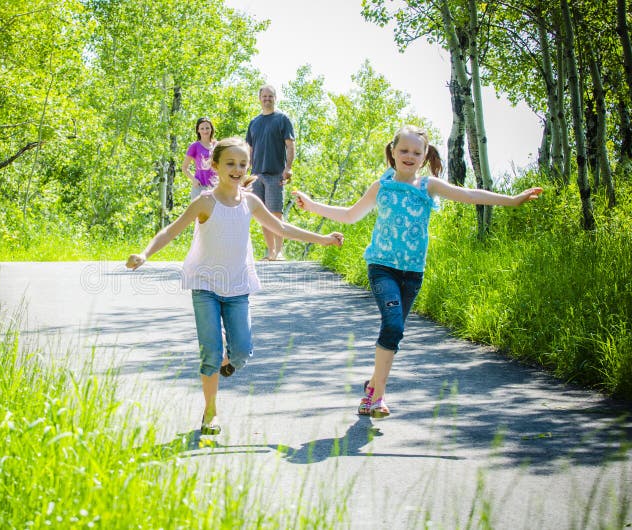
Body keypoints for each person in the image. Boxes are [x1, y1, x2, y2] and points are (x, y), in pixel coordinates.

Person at [292, 125, 543, 419]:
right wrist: (312, 206)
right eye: (404, 150)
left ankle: (372, 386)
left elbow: (468, 194)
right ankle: (378, 398)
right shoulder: (381, 187)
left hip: (412, 273)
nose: (409, 156)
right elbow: (350, 215)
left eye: (416, 152)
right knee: (393, 325)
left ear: (424, 156)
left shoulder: (428, 186)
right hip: (382, 267)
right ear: (393, 152)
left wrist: (511, 200)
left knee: (394, 331)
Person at [127, 137, 343, 435]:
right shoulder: (205, 202)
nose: (237, 169)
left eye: (243, 164)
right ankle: (210, 413)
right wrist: (145, 254)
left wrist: (323, 239)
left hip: (238, 286)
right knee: (210, 353)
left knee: (241, 352)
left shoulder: (250, 202)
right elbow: (170, 231)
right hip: (205, 285)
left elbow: (281, 228)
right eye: (230, 163)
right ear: (214, 165)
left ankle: (227, 361)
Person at [246, 85, 295, 261]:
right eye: (264, 96)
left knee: (276, 214)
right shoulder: (254, 122)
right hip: (256, 175)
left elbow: (290, 145)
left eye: (270, 96)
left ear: (275, 98)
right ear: (259, 98)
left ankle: (279, 251)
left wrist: (288, 168)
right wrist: (245, 171)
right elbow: (249, 149)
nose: (267, 99)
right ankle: (270, 252)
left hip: (275, 174)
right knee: (262, 215)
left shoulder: (282, 119)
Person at [182, 117, 218, 199]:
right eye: (202, 128)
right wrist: (193, 180)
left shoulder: (218, 145)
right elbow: (184, 168)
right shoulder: (194, 146)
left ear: (211, 129)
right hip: (200, 187)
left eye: (207, 128)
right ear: (198, 130)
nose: (205, 131)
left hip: (216, 187)